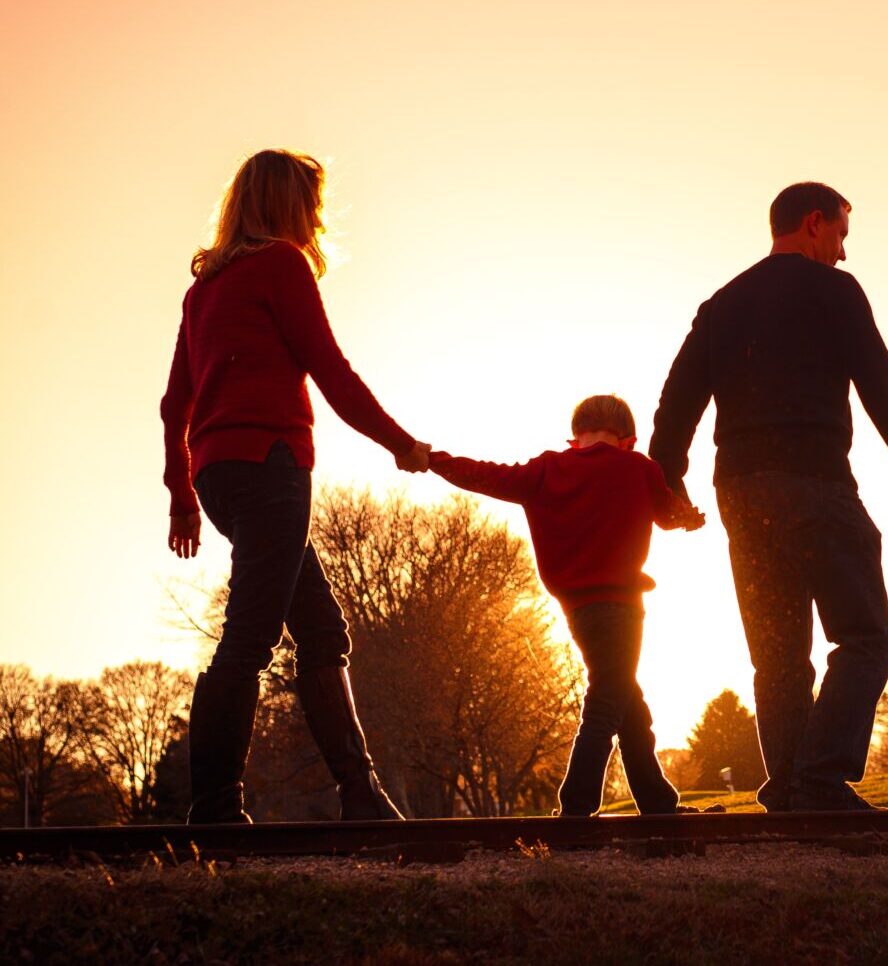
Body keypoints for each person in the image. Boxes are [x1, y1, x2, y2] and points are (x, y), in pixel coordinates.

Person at [650, 182, 888, 811]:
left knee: (778, 653)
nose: (843, 253)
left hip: (740, 489)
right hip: (814, 483)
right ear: (813, 223)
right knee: (863, 634)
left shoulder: (723, 304)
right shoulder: (836, 293)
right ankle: (819, 778)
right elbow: (881, 391)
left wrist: (666, 485)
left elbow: (676, 401)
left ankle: (789, 788)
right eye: (841, 234)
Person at [161, 149, 427, 824]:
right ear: (286, 205)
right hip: (271, 464)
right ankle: (215, 808)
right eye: (309, 202)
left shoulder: (203, 290)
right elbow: (330, 370)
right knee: (248, 640)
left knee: (319, 627)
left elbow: (175, 403)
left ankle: (362, 795)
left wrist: (182, 492)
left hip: (218, 474)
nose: (315, 217)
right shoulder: (280, 264)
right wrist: (400, 444)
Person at [428, 395, 705, 816]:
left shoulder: (547, 469)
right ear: (628, 439)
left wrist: (435, 460)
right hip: (623, 609)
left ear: (575, 437)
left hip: (578, 613)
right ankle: (575, 810)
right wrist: (689, 516)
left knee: (629, 705)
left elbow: (487, 476)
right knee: (607, 702)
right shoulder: (639, 468)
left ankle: (659, 805)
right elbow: (669, 517)